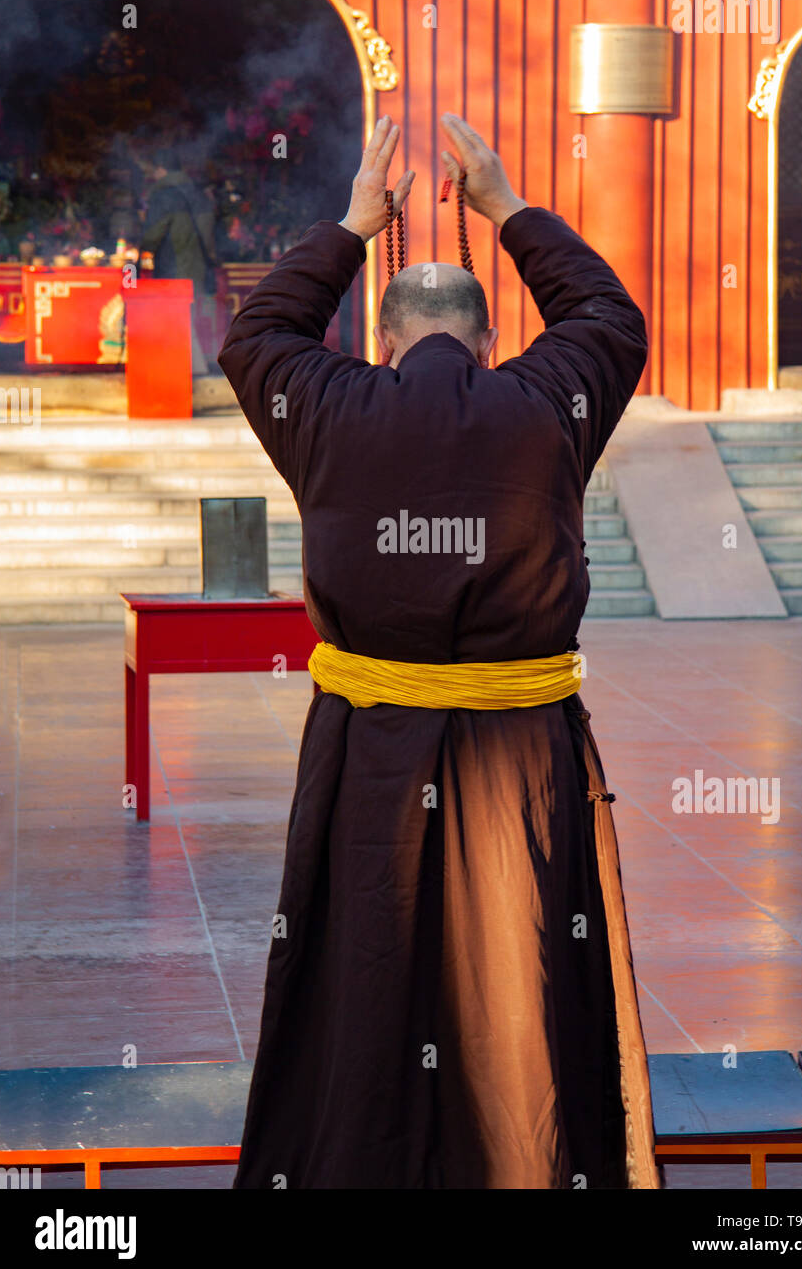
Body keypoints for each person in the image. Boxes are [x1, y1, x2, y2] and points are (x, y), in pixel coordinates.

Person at [218, 113, 659, 1189]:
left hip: (370, 751)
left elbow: (256, 336)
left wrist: (352, 228)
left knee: (365, 967)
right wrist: (506, 210)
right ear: (489, 342)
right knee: (517, 977)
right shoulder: (544, 405)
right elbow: (606, 314)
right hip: (521, 758)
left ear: (380, 339)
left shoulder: (326, 405)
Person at [140, 148, 218, 374]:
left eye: (153, 171)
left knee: (177, 320)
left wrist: (141, 252)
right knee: (186, 319)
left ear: (161, 169)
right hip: (197, 265)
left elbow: (153, 234)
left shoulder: (164, 195)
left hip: (175, 266)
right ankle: (194, 370)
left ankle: (186, 373)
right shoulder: (196, 191)